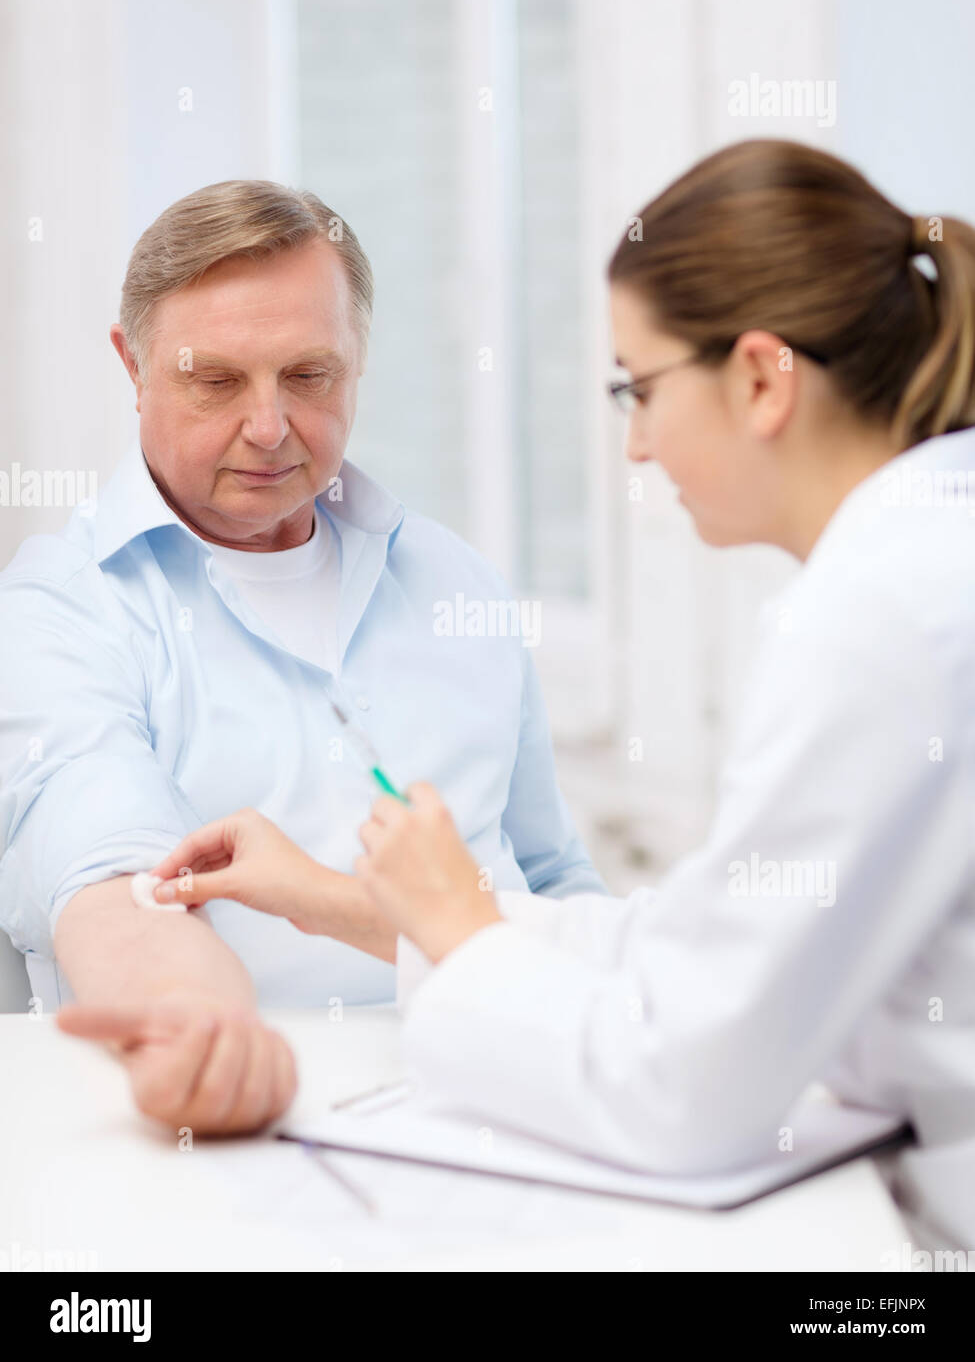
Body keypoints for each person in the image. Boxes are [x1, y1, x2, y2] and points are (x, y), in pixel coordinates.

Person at [113, 139, 975, 1249]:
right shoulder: (921, 558)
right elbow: (696, 952)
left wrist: (464, 926)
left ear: (762, 377)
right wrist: (373, 901)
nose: (638, 443)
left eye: (641, 388)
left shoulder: (883, 608)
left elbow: (681, 1088)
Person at [0, 180, 605, 1137]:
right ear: (134, 364)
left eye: (309, 376)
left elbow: (549, 872)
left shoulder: (457, 582)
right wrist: (199, 1026)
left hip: (510, 1102)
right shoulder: (62, 610)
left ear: (358, 360)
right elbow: (114, 885)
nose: (271, 426)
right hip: (232, 1122)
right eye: (216, 381)